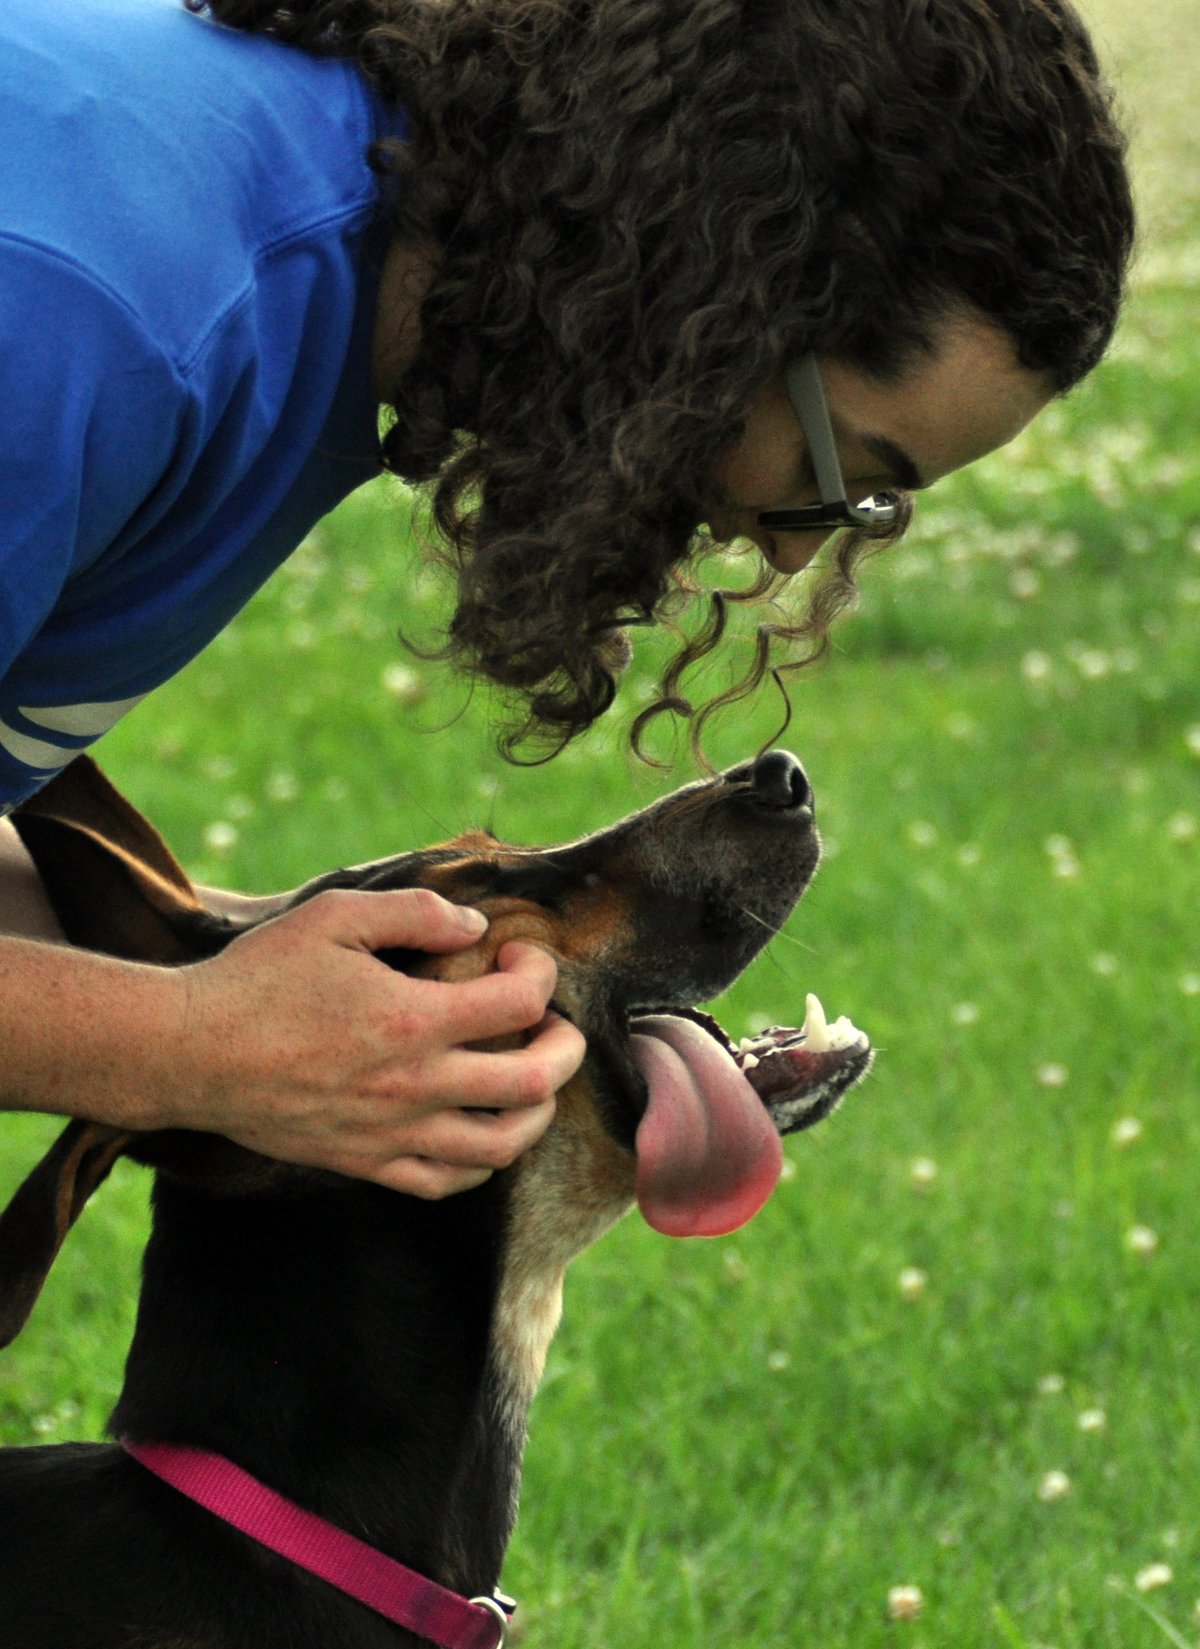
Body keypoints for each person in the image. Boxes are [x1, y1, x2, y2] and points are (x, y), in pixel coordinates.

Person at [0, 0, 1133, 1196]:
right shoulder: (98, 315)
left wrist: (266, 970)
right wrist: (192, 1044)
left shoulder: (309, 293)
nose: (792, 556)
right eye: (839, 474)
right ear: (726, 289)